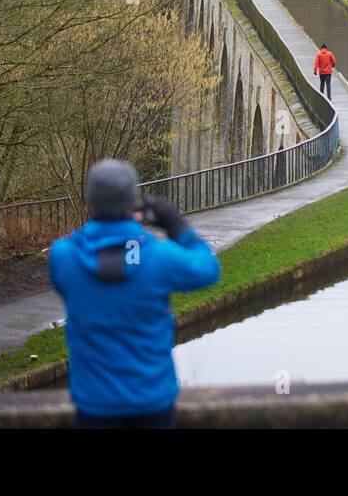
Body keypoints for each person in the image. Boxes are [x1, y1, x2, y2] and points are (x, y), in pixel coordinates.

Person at [50, 159, 220, 429]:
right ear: (134, 204)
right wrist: (177, 226)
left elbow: (87, 253)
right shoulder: (158, 257)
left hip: (94, 407)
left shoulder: (63, 257)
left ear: (91, 202)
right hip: (151, 406)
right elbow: (208, 269)